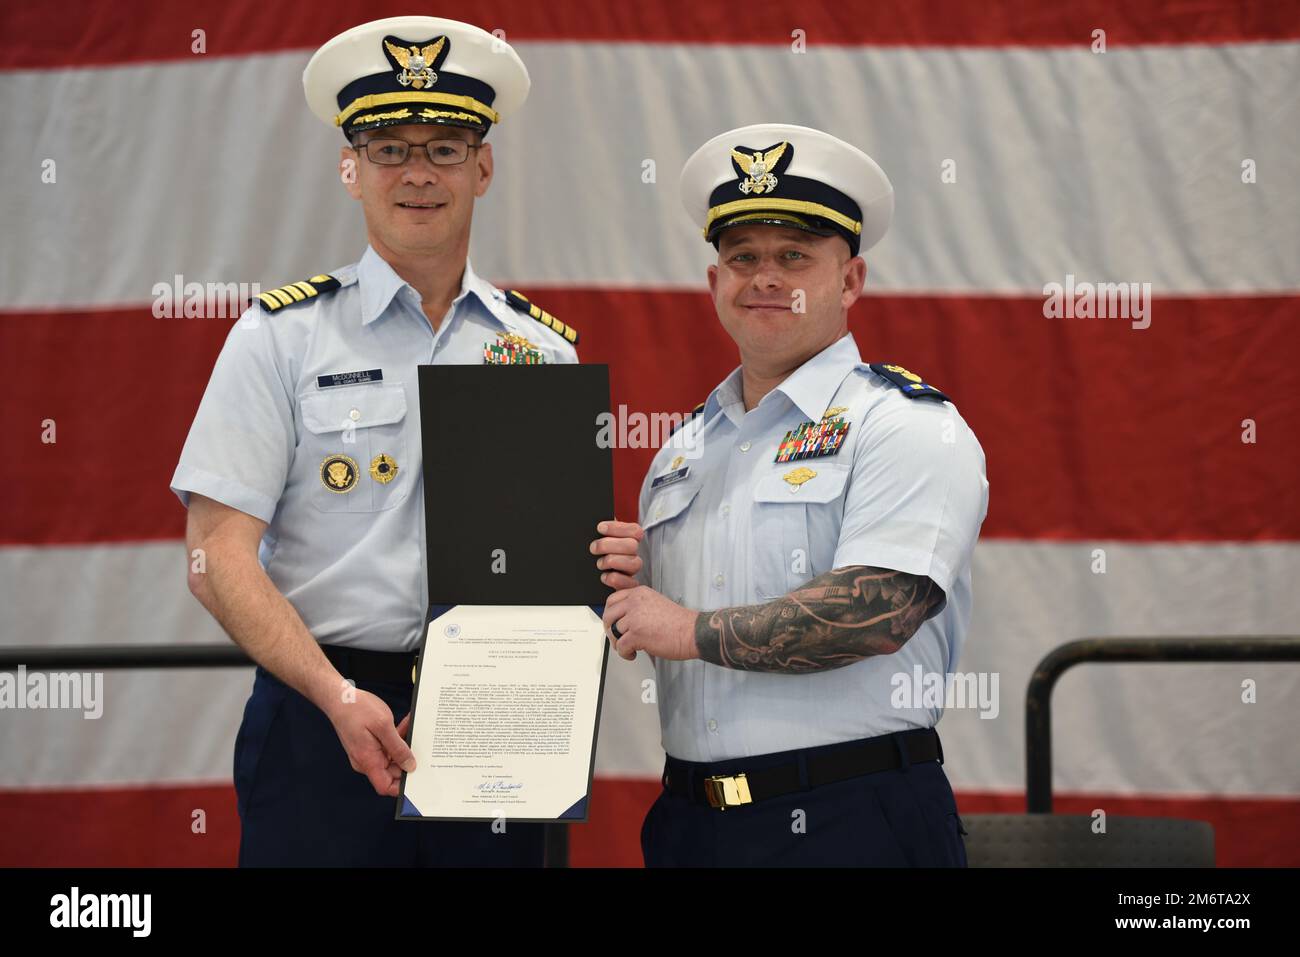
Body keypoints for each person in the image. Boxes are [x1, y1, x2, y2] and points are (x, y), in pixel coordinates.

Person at [171, 16, 577, 867]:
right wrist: (335, 692)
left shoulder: (542, 350)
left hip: (496, 715)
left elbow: (547, 564)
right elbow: (214, 555)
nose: (418, 173)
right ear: (350, 171)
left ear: (485, 166)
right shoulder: (278, 338)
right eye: (389, 149)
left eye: (445, 147)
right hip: (321, 715)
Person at [590, 123, 988, 866]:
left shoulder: (904, 424)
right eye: (742, 258)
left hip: (850, 821)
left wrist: (684, 626)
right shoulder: (681, 453)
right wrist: (623, 591)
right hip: (690, 822)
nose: (764, 276)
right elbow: (666, 631)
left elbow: (878, 610)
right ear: (716, 285)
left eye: (794, 257)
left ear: (850, 281)